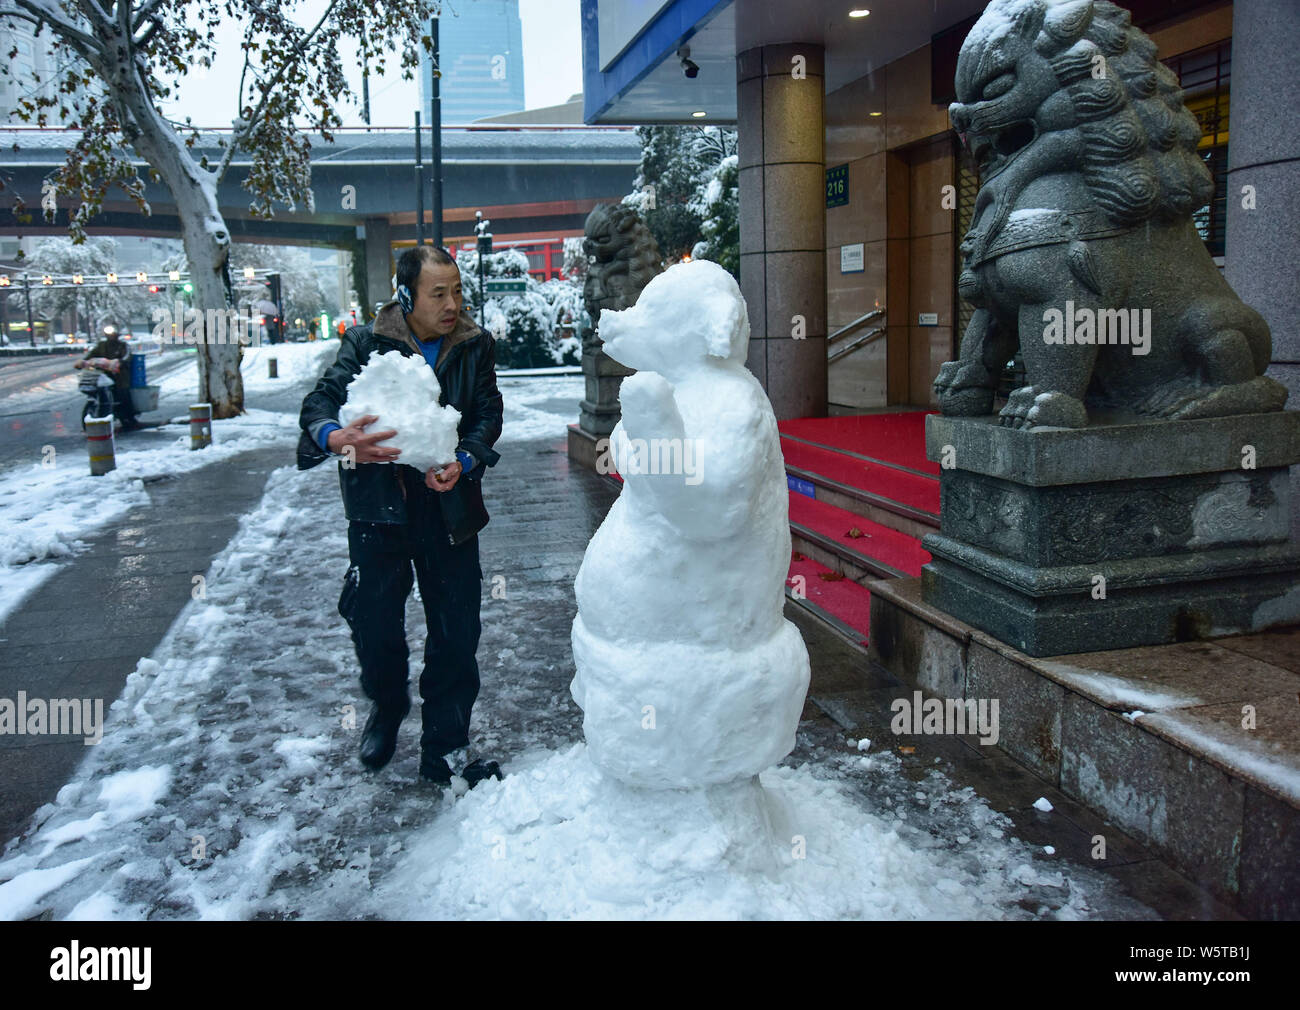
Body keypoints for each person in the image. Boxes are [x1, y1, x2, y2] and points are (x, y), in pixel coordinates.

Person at [297, 246, 504, 787]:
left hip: (449, 513)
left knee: (456, 636)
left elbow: (487, 415)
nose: (453, 303)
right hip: (378, 514)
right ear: (407, 295)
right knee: (376, 624)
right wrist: (338, 440)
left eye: (457, 290)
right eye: (439, 293)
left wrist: (463, 460)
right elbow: (318, 405)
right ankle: (387, 704)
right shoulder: (366, 344)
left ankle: (446, 754)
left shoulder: (473, 347)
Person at [74, 326, 141, 431]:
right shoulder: (101, 346)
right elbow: (91, 355)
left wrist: (119, 362)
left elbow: (127, 356)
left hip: (119, 375)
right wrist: (83, 362)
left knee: (123, 393)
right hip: (104, 374)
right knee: (97, 387)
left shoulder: (123, 346)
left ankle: (129, 417)